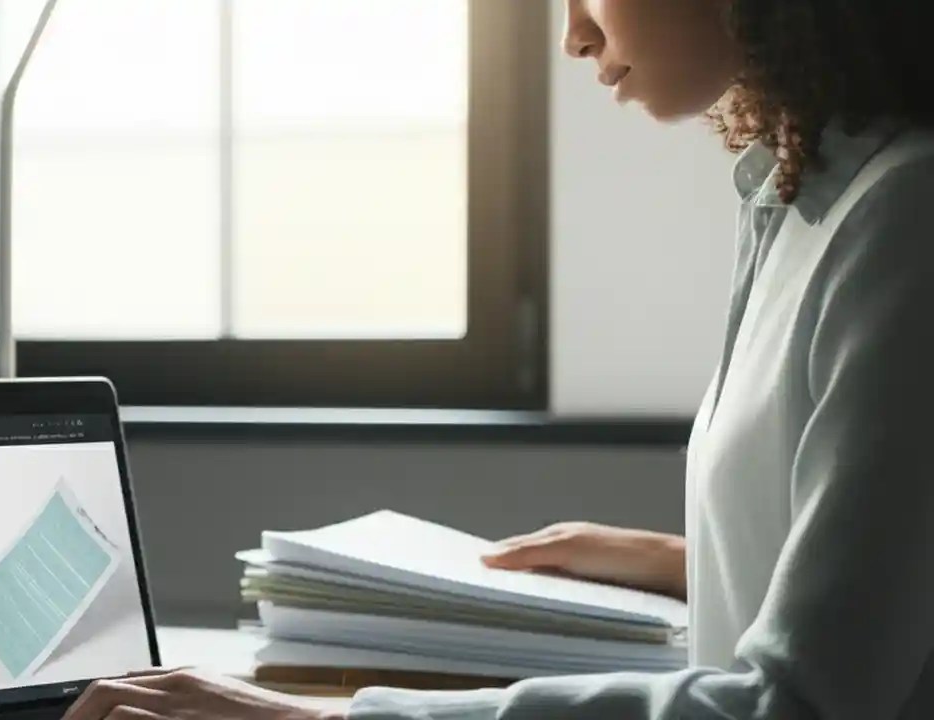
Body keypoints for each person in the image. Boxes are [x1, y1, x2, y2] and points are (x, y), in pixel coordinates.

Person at [64, 0, 934, 717]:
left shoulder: (902, 223)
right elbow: (878, 583)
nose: (574, 35)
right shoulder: (796, 203)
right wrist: (677, 559)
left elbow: (800, 701)